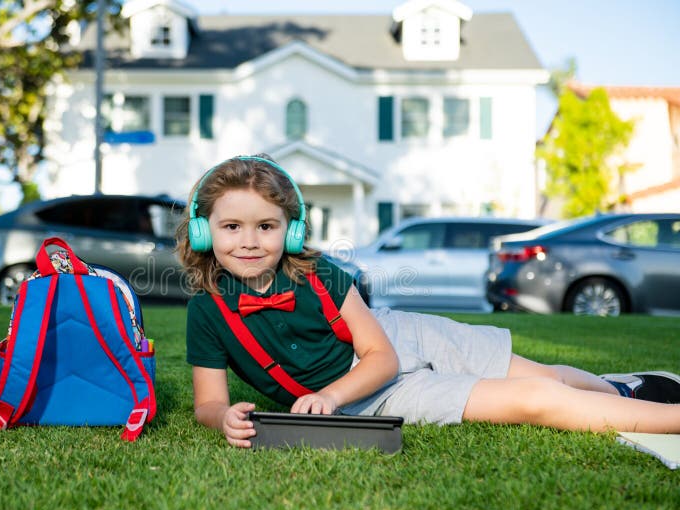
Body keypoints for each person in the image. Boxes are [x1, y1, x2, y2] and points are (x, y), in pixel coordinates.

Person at [176, 154, 680, 448]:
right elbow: (209, 402)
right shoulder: (207, 311)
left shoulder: (320, 273)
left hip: (393, 339)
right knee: (535, 400)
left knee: (544, 374)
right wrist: (222, 418)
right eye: (231, 226)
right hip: (374, 400)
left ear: (291, 231)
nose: (249, 240)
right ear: (203, 232)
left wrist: (327, 396)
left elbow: (382, 355)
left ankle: (624, 392)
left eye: (266, 226)